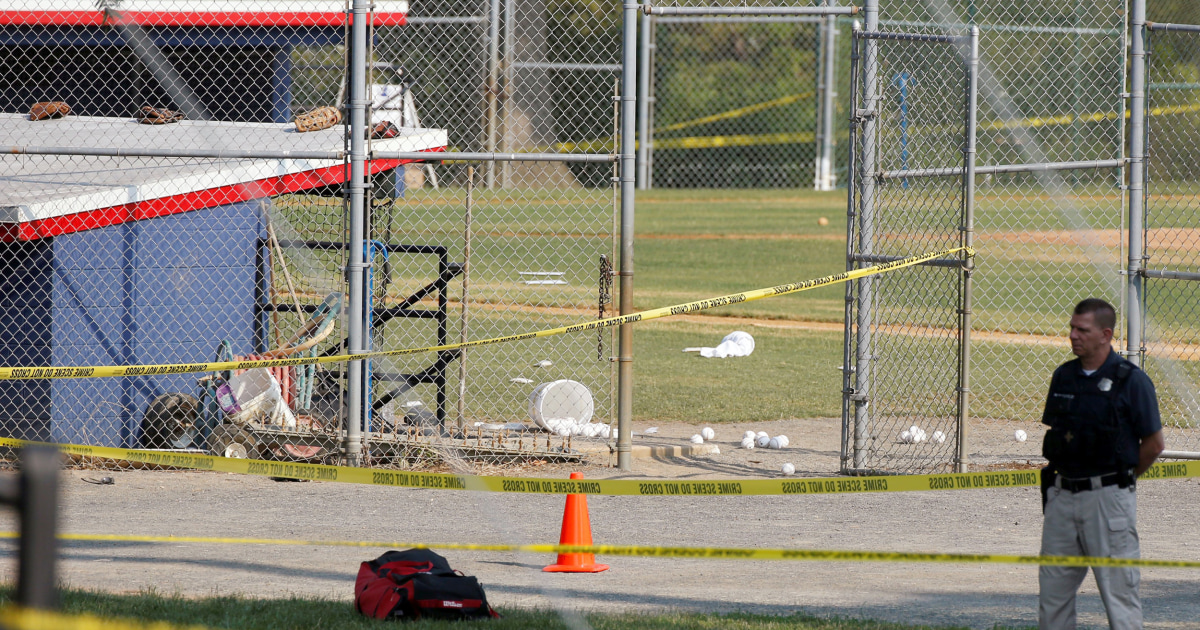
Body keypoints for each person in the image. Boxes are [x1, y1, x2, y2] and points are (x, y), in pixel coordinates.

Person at [1039, 298, 1165, 630]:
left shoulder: (1131, 381)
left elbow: (1154, 445)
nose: (1073, 335)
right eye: (1072, 328)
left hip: (1108, 502)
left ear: (1105, 335)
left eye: (1082, 330)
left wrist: (1118, 479)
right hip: (1062, 497)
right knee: (1052, 601)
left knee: (1120, 600)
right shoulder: (1064, 376)